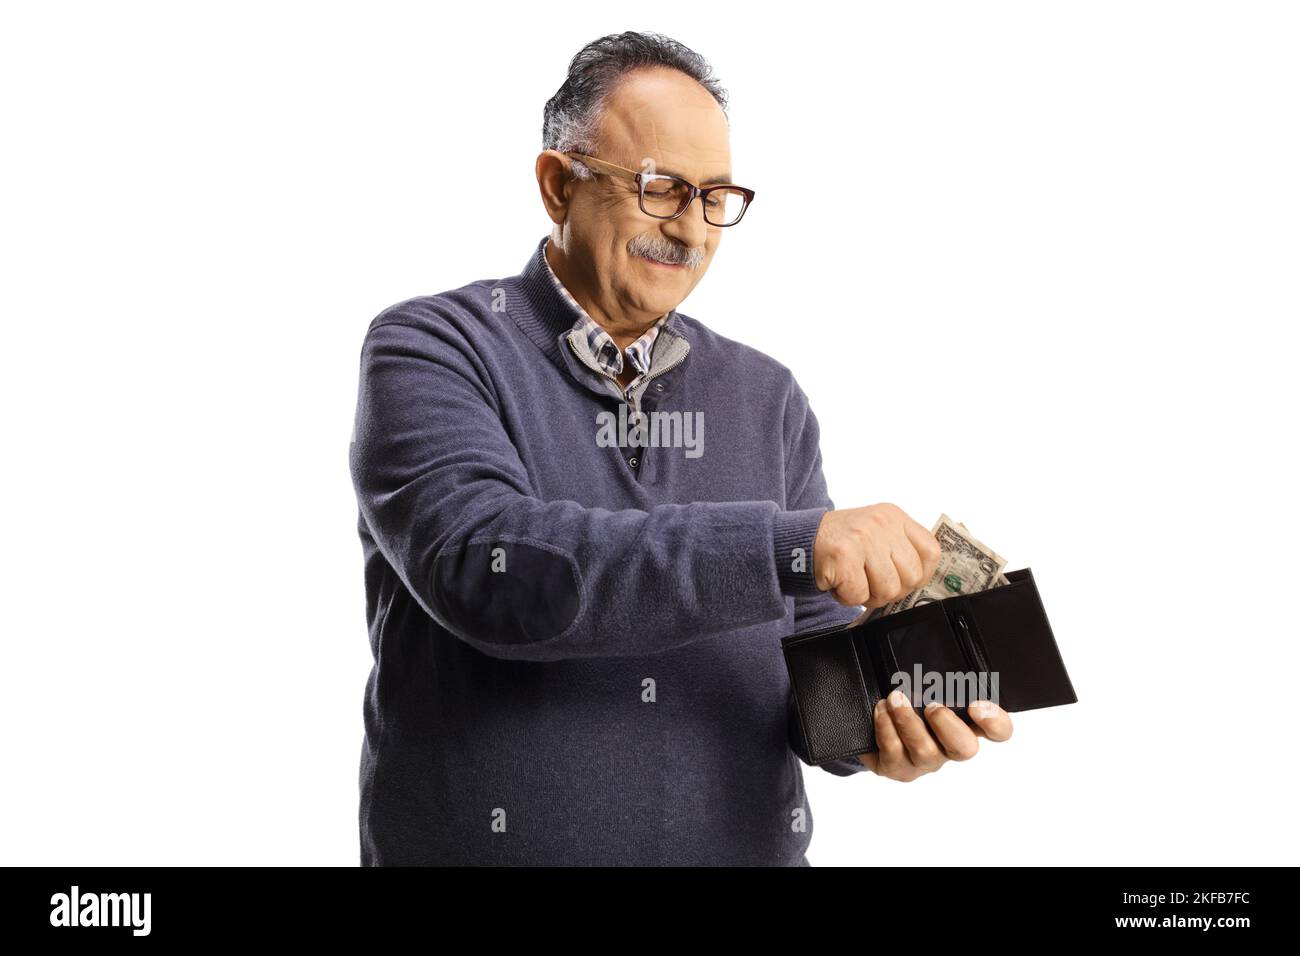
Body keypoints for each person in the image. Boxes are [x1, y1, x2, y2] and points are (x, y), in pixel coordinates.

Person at [348, 30, 1013, 866]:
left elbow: (814, 664)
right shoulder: (434, 346)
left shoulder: (767, 395)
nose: (691, 229)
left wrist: (882, 727)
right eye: (661, 188)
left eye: (715, 197)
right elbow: (492, 571)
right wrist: (787, 543)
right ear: (558, 185)